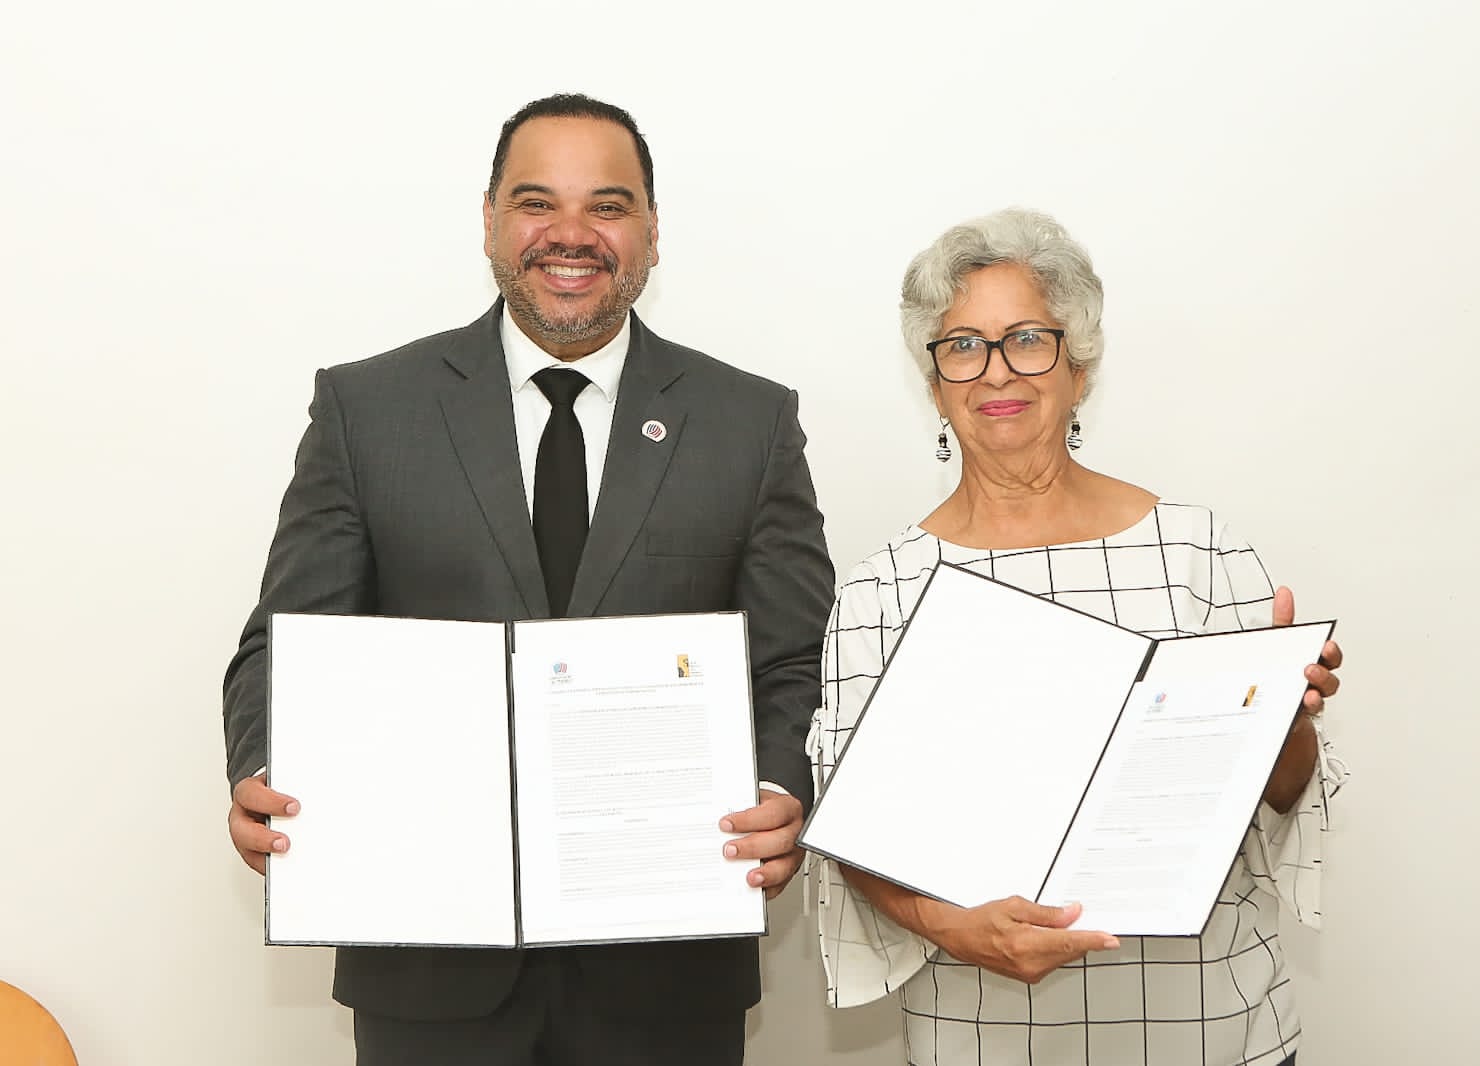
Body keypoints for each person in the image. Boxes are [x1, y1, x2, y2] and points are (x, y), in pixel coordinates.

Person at [222, 93, 834, 1066]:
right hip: (428, 963)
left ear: (652, 232)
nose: (571, 235)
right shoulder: (366, 410)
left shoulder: (748, 423)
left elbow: (792, 661)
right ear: (490, 221)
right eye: (537, 202)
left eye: (608, 205)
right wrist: (264, 765)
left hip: (667, 961)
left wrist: (776, 784)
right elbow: (287, 639)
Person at [808, 208, 1347, 1066]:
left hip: (1211, 1025)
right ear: (936, 380)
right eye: (963, 346)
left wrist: (1287, 721)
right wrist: (958, 928)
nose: (996, 372)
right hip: (979, 1034)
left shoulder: (1198, 551)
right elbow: (851, 833)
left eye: (1027, 338)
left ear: (1079, 364)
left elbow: (1286, 796)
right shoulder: (884, 588)